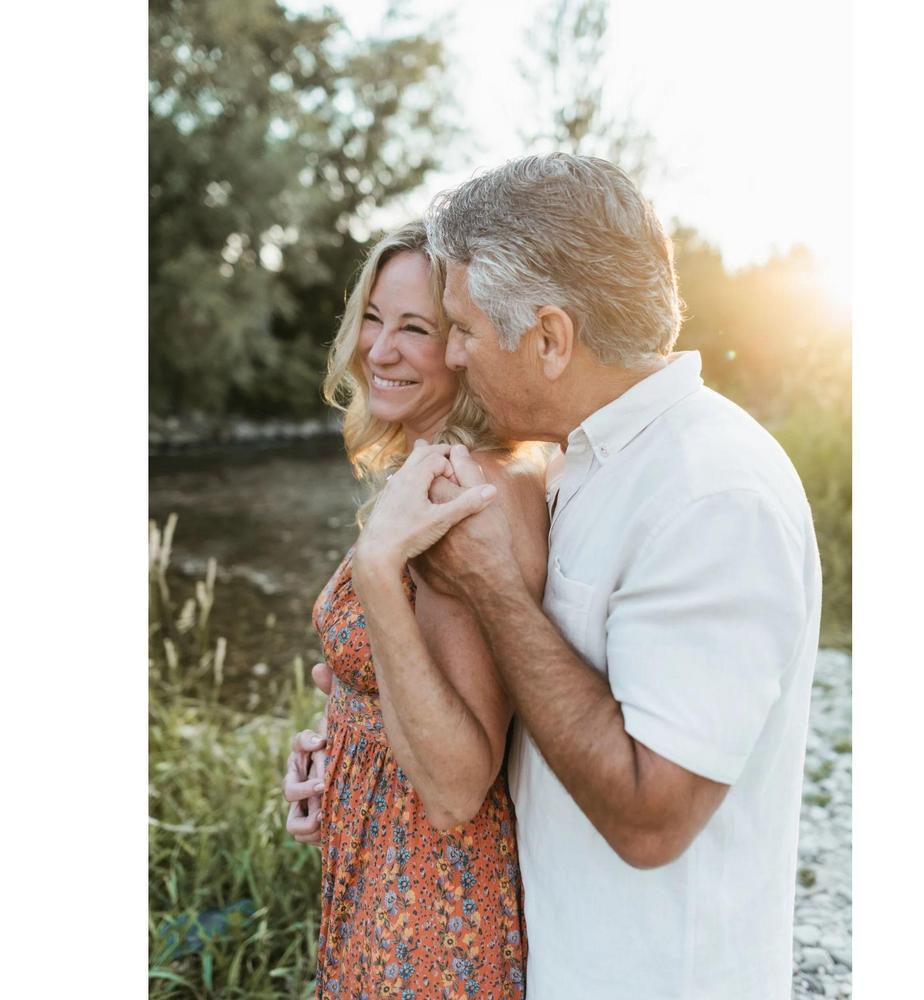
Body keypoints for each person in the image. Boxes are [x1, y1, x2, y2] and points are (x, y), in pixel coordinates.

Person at [361, 154, 823, 999]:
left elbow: (652, 816)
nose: (452, 354)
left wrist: (492, 588)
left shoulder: (712, 494)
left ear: (549, 338)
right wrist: (358, 734)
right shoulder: (584, 459)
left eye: (462, 328)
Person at [282, 221, 548, 999]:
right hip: (377, 866)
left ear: (463, 345)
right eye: (372, 317)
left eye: (416, 328)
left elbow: (459, 786)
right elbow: (412, 678)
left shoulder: (460, 492)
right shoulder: (433, 469)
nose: (379, 349)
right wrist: (339, 742)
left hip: (424, 902)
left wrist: (373, 575)